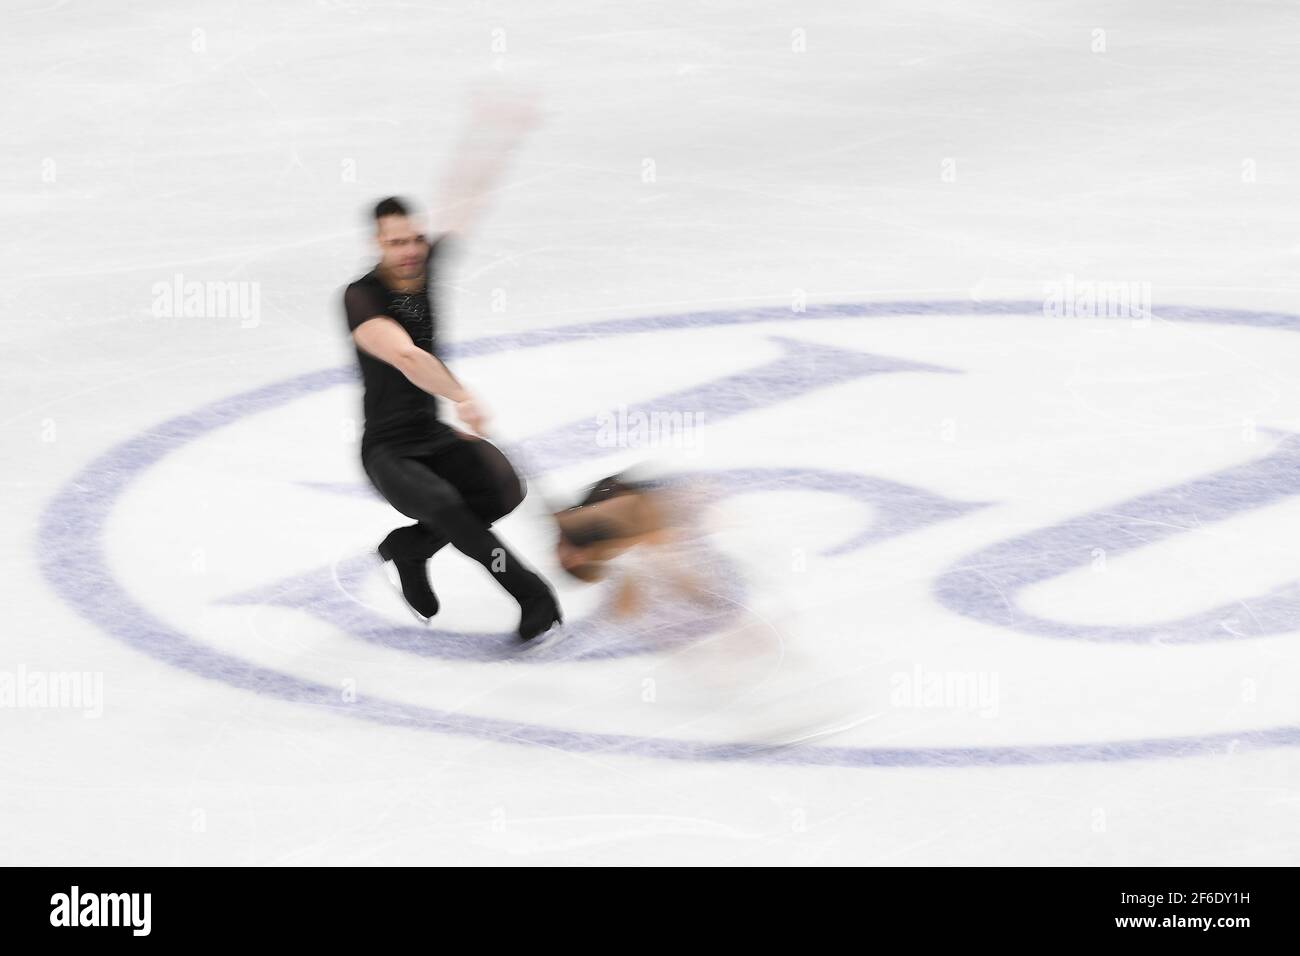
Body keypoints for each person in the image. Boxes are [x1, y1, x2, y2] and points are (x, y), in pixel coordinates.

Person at [341, 95, 561, 641]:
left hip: (431, 436)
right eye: (397, 244)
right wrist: (461, 395)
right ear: (378, 245)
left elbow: (465, 200)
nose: (411, 252)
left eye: (415, 239)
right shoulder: (361, 298)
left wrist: (497, 133)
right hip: (389, 451)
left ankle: (411, 547)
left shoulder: (425, 264)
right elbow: (406, 355)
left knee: (503, 486)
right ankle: (531, 594)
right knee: (445, 503)